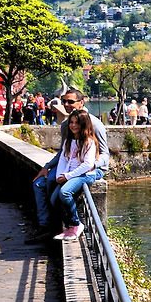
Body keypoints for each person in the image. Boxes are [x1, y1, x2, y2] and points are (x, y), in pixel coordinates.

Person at [32, 90, 109, 239]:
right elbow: (64, 152)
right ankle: (45, 225)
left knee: (60, 193)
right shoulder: (66, 124)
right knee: (39, 183)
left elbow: (106, 154)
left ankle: (65, 224)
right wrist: (47, 167)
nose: (66, 104)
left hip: (90, 167)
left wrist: (93, 164)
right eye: (64, 101)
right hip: (70, 165)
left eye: (70, 102)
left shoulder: (94, 124)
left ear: (81, 102)